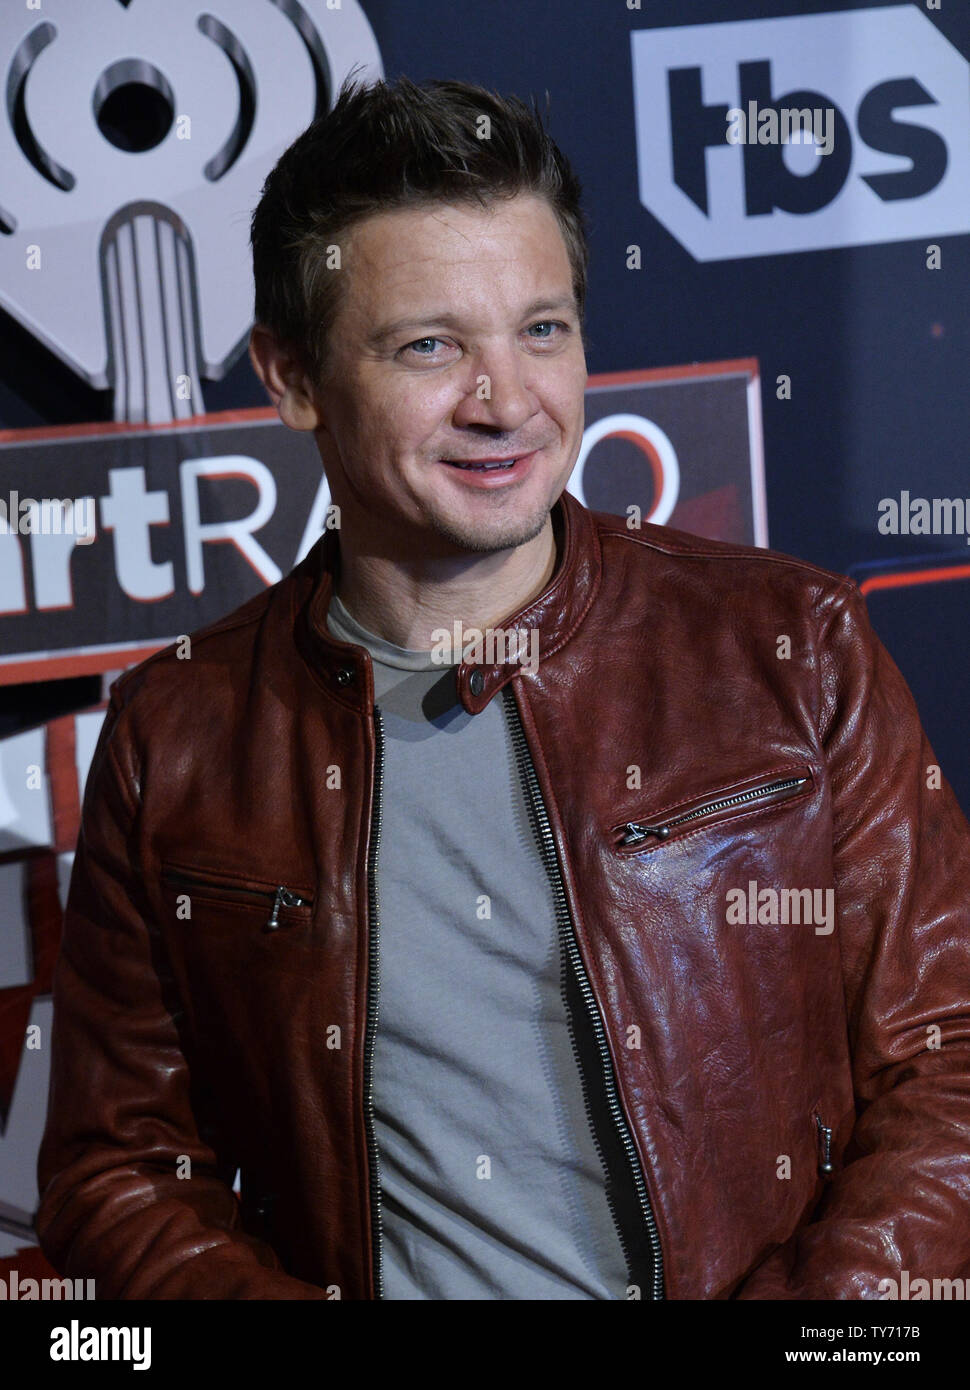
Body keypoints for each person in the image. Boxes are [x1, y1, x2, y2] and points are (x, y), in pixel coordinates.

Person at [35, 73, 970, 1301]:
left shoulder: (793, 647)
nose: (507, 401)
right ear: (293, 376)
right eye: (430, 346)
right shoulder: (179, 733)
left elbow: (945, 1064)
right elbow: (118, 1167)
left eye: (542, 330)